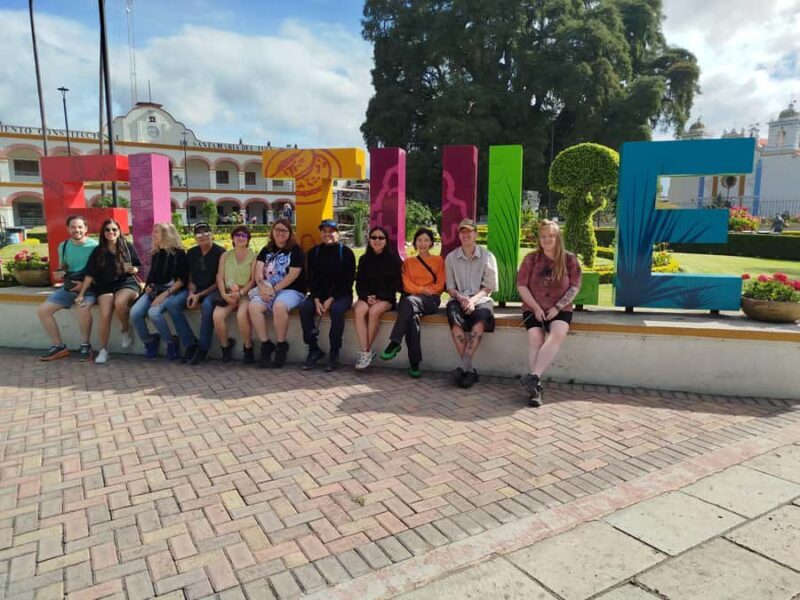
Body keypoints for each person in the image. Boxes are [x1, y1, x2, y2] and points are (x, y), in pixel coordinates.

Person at [516, 219, 582, 407]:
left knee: (557, 334)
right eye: (544, 237)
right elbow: (521, 285)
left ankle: (533, 377)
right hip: (532, 307)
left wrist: (557, 308)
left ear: (558, 237)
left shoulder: (569, 259)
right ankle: (535, 389)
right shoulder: (531, 259)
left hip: (560, 309)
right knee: (535, 338)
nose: (547, 240)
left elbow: (575, 287)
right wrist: (536, 308)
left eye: (551, 236)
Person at [381, 227, 445, 377]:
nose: (423, 243)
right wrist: (422, 289)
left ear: (431, 243)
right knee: (411, 318)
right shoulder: (408, 262)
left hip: (430, 300)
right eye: (419, 240)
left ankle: (395, 342)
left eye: (426, 240)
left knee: (408, 302)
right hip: (412, 300)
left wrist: (423, 291)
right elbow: (405, 284)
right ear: (415, 243)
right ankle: (414, 364)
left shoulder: (438, 260)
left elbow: (440, 284)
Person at [444, 218, 498, 388]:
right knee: (454, 320)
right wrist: (461, 298)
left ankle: (463, 367)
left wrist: (473, 300)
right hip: (458, 298)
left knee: (480, 321)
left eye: (469, 231)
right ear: (459, 235)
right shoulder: (451, 258)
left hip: (481, 299)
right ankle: (469, 371)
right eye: (462, 232)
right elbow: (450, 287)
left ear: (476, 234)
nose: (466, 235)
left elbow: (489, 287)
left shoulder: (487, 257)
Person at [79, 218, 142, 364]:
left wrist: (134, 269)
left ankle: (126, 329)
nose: (111, 232)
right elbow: (90, 274)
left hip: (127, 283)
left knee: (120, 302)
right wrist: (82, 294)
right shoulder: (98, 251)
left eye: (114, 229)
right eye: (107, 230)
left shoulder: (127, 246)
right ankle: (103, 350)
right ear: (103, 232)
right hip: (105, 286)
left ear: (119, 231)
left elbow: (137, 265)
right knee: (105, 314)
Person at [36, 215, 98, 361]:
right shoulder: (63, 246)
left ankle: (85, 345)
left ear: (86, 229)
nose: (76, 230)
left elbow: (101, 272)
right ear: (68, 229)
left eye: (80, 227)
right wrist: (60, 272)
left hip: (90, 287)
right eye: (73, 227)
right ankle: (59, 346)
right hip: (69, 287)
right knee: (43, 310)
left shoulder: (95, 247)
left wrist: (84, 285)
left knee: (82, 309)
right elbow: (65, 267)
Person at [248, 219, 306, 368]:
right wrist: (263, 289)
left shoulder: (296, 250)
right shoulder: (266, 249)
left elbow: (293, 275)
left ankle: (281, 345)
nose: (280, 233)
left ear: (289, 233)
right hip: (267, 289)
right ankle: (266, 344)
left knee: (279, 306)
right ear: (272, 232)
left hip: (291, 290)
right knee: (254, 307)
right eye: (277, 230)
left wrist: (273, 290)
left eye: (284, 230)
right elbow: (258, 273)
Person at [299, 219, 356, 371]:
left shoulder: (346, 253)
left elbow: (348, 280)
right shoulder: (314, 253)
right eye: (324, 231)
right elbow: (311, 278)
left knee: (337, 311)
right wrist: (317, 299)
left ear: (337, 233)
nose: (327, 234)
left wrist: (332, 299)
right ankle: (313, 349)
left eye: (331, 231)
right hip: (319, 294)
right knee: (305, 308)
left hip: (341, 294)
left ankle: (334, 352)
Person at [130, 223, 189, 360]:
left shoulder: (179, 254)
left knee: (154, 312)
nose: (153, 235)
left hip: (171, 291)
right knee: (135, 313)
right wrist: (149, 286)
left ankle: (170, 342)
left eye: (156, 232)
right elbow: (153, 276)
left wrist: (164, 295)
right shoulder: (157, 253)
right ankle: (150, 341)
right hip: (155, 290)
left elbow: (182, 280)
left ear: (166, 234)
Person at [172, 222, 226, 365]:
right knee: (173, 305)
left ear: (212, 234)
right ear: (195, 237)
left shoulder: (221, 252)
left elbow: (219, 280)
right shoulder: (192, 252)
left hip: (213, 290)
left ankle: (203, 348)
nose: (203, 236)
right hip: (195, 289)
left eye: (206, 232)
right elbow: (190, 276)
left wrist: (199, 296)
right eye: (199, 233)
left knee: (207, 307)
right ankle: (190, 344)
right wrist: (191, 293)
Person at [353, 226, 402, 370]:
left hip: (386, 298)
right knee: (359, 310)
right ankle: (366, 351)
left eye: (381, 238)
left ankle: (366, 351)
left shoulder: (393, 260)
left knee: (374, 311)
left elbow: (396, 284)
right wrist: (366, 296)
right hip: (367, 296)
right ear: (369, 240)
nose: (377, 240)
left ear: (386, 241)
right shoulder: (363, 259)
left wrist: (380, 297)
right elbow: (359, 282)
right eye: (374, 237)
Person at [212, 225, 257, 363]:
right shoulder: (225, 255)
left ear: (248, 239)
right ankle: (225, 347)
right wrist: (224, 294)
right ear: (232, 238)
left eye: (244, 235)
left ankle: (248, 347)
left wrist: (241, 293)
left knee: (241, 315)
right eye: (238, 235)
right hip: (228, 292)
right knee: (217, 316)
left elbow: (253, 280)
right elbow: (219, 276)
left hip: (245, 292)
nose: (241, 238)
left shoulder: (253, 256)